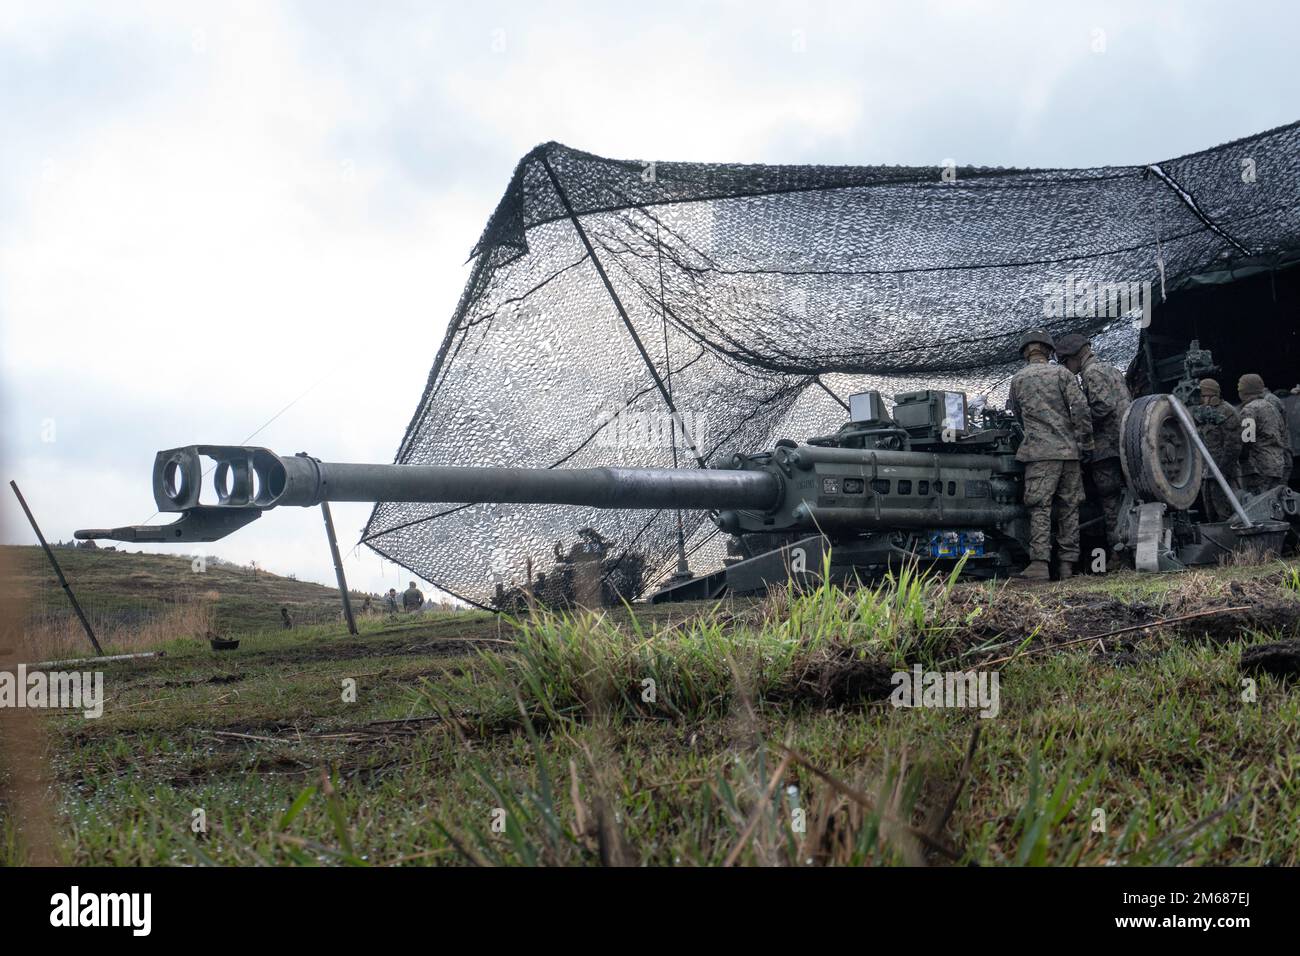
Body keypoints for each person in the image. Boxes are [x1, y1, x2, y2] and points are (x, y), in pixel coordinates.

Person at [1008, 328, 1094, 580]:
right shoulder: (1063, 374)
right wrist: (1085, 443)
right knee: (1070, 507)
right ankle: (1067, 565)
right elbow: (1081, 409)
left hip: (1039, 454)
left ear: (1025, 353)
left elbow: (1017, 416)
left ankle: (1040, 564)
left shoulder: (1018, 379)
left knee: (1040, 507)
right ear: (1049, 351)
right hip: (1070, 453)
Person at [1053, 333, 1130, 551]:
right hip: (1125, 444)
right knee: (1129, 497)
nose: (1067, 368)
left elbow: (1102, 406)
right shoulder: (1111, 369)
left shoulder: (1091, 373)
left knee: (1111, 502)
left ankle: (1119, 550)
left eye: (1066, 362)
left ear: (1074, 357)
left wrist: (1078, 421)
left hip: (1106, 449)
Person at [1191, 378, 1242, 522]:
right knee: (1211, 513)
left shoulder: (1227, 412)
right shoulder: (1202, 413)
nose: (1200, 400)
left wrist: (1222, 470)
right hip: (1207, 474)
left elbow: (1233, 446)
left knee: (1227, 513)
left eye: (1202, 396)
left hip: (1223, 473)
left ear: (1211, 395)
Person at [1237, 373, 1288, 495]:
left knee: (1257, 503)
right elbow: (1282, 433)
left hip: (1257, 469)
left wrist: (1240, 458)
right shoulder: (1272, 407)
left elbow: (1246, 440)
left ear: (1244, 391)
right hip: (1277, 466)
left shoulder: (1249, 410)